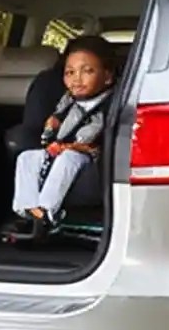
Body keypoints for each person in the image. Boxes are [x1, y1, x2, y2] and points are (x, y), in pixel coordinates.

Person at [12, 35, 116, 239]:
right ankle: (27, 209)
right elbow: (56, 121)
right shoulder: (68, 100)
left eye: (87, 71)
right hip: (60, 150)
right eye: (70, 73)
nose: (76, 79)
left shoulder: (109, 104)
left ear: (107, 77)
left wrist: (70, 148)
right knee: (27, 157)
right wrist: (52, 126)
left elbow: (96, 142)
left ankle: (49, 211)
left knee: (69, 158)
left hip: (90, 159)